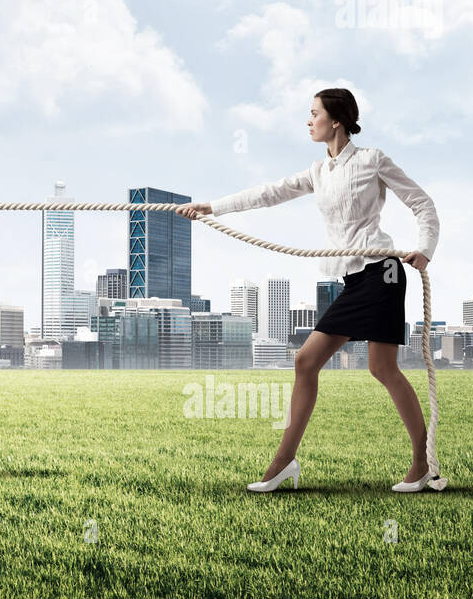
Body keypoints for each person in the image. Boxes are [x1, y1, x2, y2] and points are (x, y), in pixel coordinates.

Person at [175, 88, 440, 493]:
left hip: (383, 273)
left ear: (336, 120)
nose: (308, 120)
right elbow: (268, 193)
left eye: (313, 113)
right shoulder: (318, 172)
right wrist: (211, 207)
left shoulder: (372, 160)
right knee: (307, 361)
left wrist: (424, 249)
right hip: (354, 279)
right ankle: (286, 463)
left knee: (379, 368)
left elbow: (423, 204)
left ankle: (421, 464)